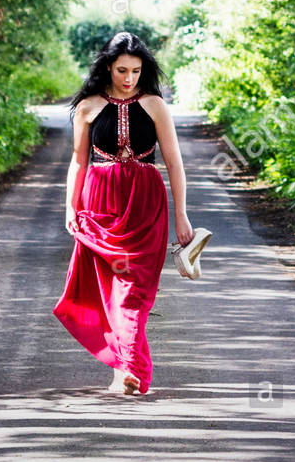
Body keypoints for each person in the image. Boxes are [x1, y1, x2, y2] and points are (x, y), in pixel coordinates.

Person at [51, 30, 195, 395]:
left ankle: (127, 368)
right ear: (108, 67)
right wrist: (71, 205)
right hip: (99, 203)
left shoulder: (155, 106)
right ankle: (124, 370)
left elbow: (175, 165)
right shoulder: (87, 107)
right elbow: (78, 162)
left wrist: (182, 215)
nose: (129, 78)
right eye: (121, 70)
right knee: (107, 288)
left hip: (145, 204)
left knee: (133, 289)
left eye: (135, 70)